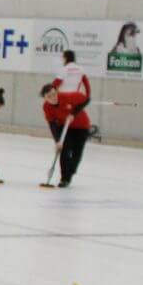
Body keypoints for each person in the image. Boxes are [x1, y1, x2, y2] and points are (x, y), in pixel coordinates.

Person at [51, 49, 92, 188]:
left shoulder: (64, 69)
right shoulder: (81, 69)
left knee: (66, 149)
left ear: (65, 58)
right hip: (76, 100)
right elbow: (87, 87)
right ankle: (68, 174)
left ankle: (65, 176)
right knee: (73, 151)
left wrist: (54, 99)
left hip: (63, 102)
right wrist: (84, 99)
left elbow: (55, 85)